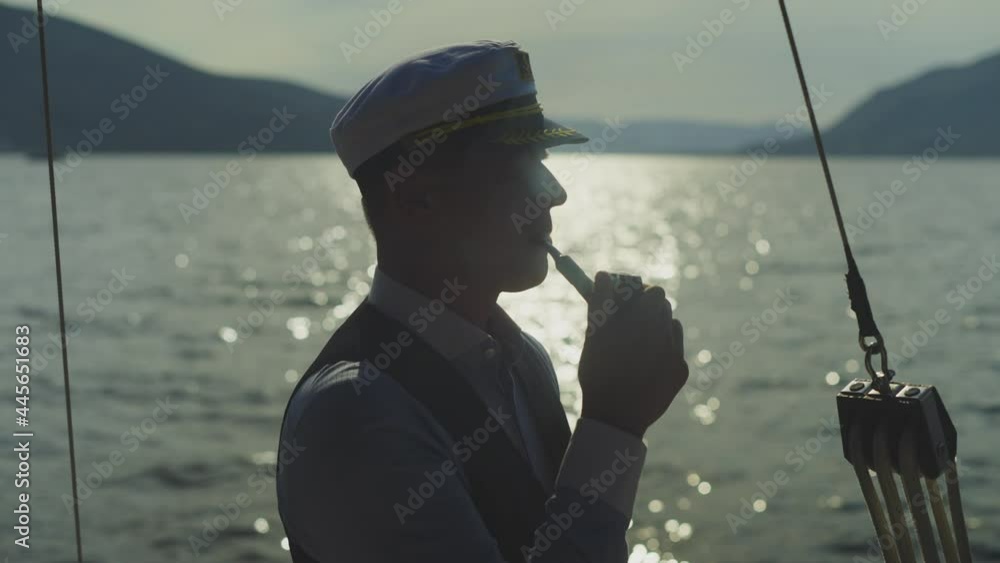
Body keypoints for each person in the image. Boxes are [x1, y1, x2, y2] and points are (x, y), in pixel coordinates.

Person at [276, 39, 688, 562]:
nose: (555, 192)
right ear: (416, 196)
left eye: (542, 160)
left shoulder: (524, 359)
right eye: (519, 163)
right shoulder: (353, 415)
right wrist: (613, 425)